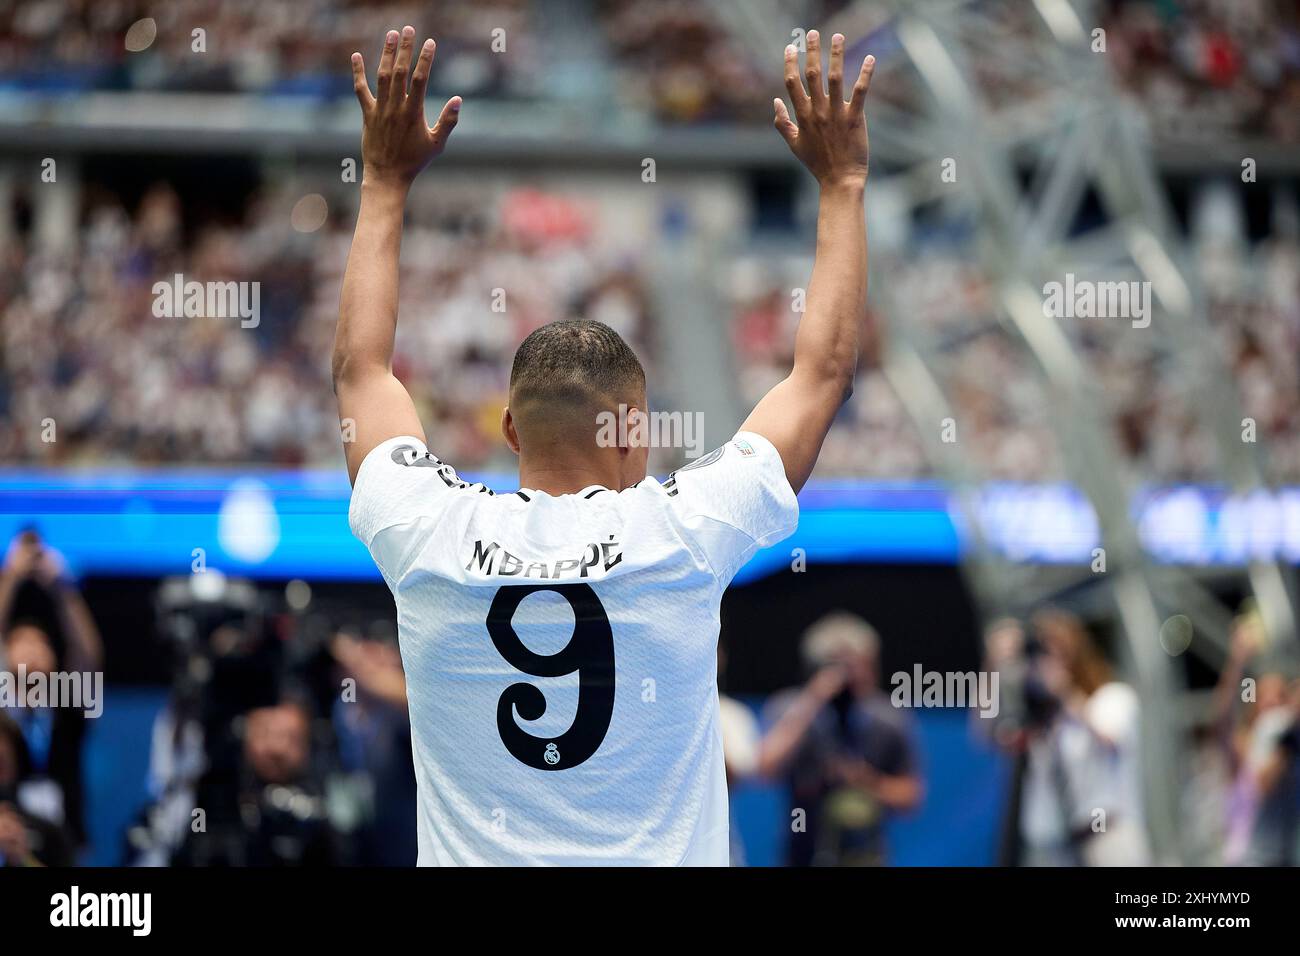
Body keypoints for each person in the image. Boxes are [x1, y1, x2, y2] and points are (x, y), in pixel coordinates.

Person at [334, 26, 874, 865]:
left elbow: (361, 375)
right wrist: (841, 186)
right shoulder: (682, 533)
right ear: (636, 433)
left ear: (511, 428)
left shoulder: (429, 533)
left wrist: (381, 181)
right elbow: (822, 374)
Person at [757, 613, 921, 865]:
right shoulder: (792, 710)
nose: (851, 678)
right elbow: (765, 767)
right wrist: (815, 698)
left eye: (860, 666)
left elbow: (911, 797)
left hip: (866, 855)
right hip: (801, 855)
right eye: (841, 668)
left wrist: (865, 780)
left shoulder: (890, 719)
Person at [0, 529, 103, 850]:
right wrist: (10, 577)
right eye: (23, 641)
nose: (32, 650)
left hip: (65, 848)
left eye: (41, 643)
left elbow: (88, 655)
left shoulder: (67, 706)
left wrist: (64, 590)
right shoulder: (2, 712)